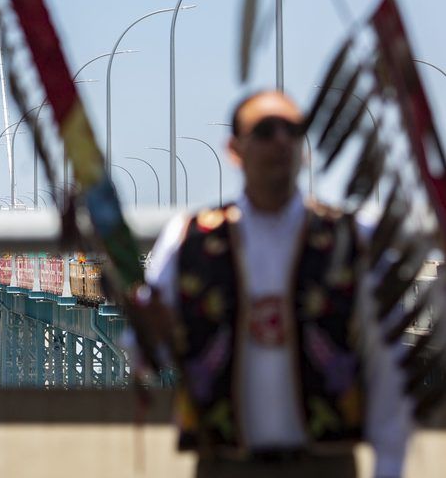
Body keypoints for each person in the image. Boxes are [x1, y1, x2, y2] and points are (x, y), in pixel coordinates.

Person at [144, 91, 411, 478]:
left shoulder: (353, 238)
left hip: (325, 465)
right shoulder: (190, 239)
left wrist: (390, 465)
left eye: (293, 130)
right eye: (266, 131)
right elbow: (146, 351)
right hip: (225, 466)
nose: (282, 141)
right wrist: (151, 330)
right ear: (235, 149)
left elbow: (387, 359)